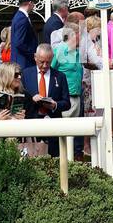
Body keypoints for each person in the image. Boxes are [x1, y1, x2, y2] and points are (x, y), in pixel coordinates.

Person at [22, 44, 71, 157]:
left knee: (54, 158)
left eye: (48, 62)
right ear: (35, 57)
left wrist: (55, 105)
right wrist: (31, 99)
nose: (44, 65)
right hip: (32, 123)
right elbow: (21, 99)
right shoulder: (26, 74)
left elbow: (67, 103)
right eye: (41, 62)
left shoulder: (60, 76)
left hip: (53, 124)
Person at [52, 24, 85, 159]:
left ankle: (71, 162)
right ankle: (63, 161)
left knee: (74, 132)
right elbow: (51, 70)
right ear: (73, 35)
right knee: (64, 133)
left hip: (77, 96)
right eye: (80, 35)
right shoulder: (59, 50)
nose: (81, 38)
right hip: (65, 98)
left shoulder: (77, 52)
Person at [9, 0, 39, 71]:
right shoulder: (22, 18)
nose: (33, 5)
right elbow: (19, 42)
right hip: (23, 63)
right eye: (33, 3)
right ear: (30, 3)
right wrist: (33, 54)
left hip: (20, 61)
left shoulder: (19, 16)